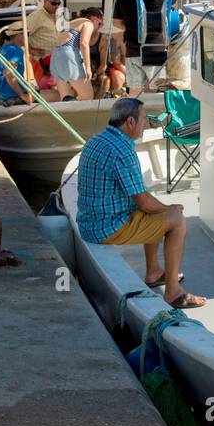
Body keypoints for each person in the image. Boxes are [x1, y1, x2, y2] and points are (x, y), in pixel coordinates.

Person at [76, 98, 205, 309]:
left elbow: (141, 199)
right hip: (105, 228)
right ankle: (173, 293)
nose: (146, 123)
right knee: (177, 220)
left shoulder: (98, 139)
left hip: (89, 222)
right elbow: (143, 202)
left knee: (154, 207)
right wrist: (170, 209)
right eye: (143, 119)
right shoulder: (123, 150)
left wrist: (160, 208)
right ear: (130, 122)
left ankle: (154, 272)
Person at [112, 0, 185, 93]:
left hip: (133, 48)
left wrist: (131, 28)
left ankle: (133, 112)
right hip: (155, 49)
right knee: (155, 88)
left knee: (135, 90)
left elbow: (116, 22)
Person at [49, 10, 100, 101]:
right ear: (95, 19)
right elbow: (84, 43)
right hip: (68, 54)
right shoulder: (87, 23)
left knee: (66, 99)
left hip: (55, 56)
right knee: (88, 97)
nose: (99, 27)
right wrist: (88, 68)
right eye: (100, 24)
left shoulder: (68, 25)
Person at [0, 23, 33, 107]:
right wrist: (22, 95)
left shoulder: (0, 50)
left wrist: (3, 81)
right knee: (55, 95)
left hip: (3, 98)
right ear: (18, 35)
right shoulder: (17, 50)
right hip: (14, 98)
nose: (27, 37)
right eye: (26, 34)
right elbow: (9, 73)